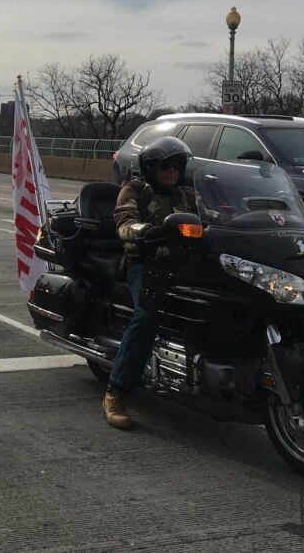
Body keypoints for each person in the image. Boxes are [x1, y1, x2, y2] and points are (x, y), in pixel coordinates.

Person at [102, 136, 198, 430]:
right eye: (165, 166)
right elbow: (124, 222)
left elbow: (214, 217)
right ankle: (116, 390)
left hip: (186, 264)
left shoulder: (188, 195)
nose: (172, 171)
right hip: (146, 264)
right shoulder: (134, 190)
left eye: (177, 166)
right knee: (147, 316)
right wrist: (143, 231)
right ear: (150, 168)